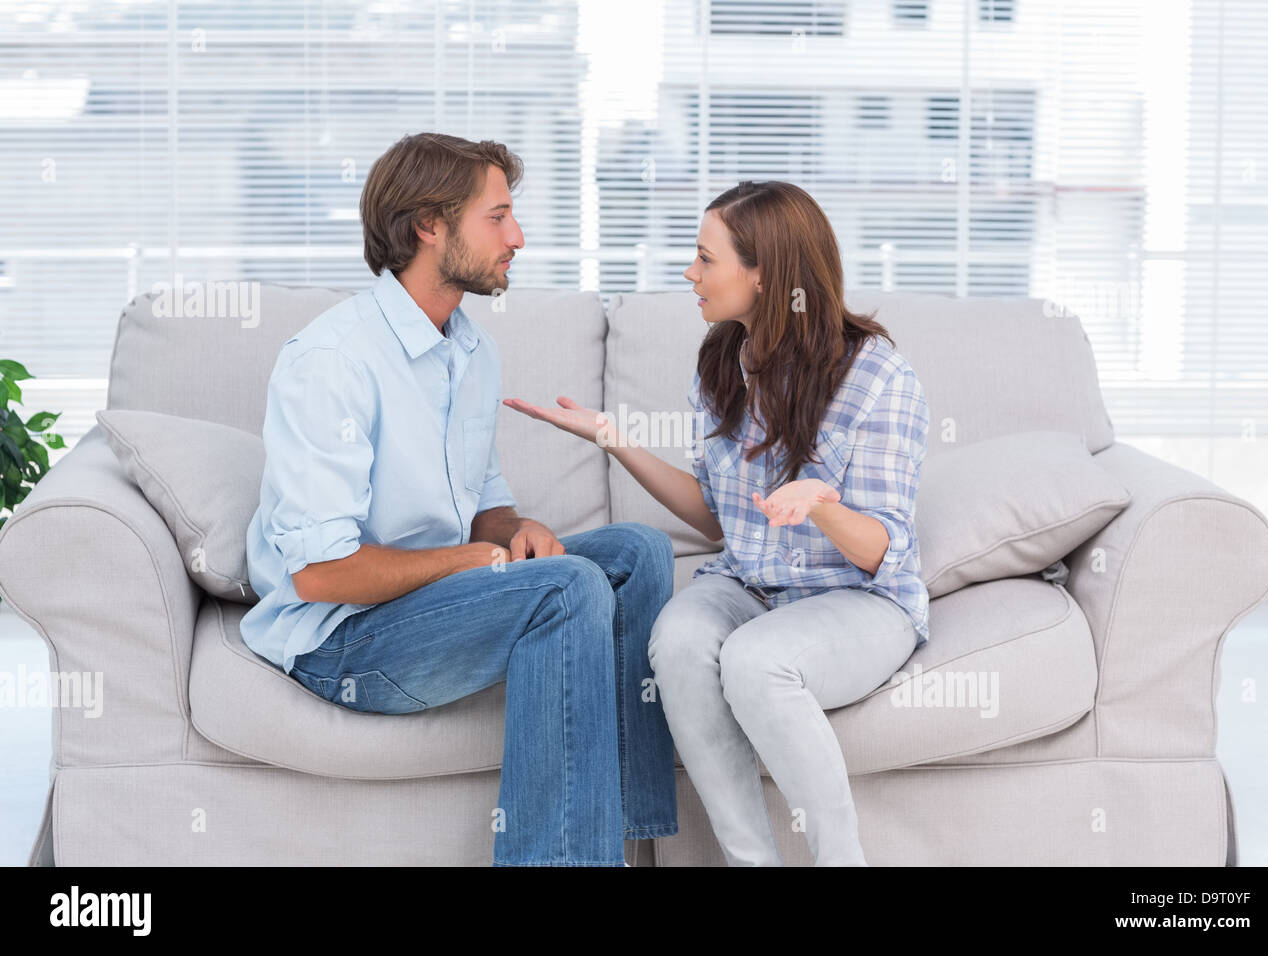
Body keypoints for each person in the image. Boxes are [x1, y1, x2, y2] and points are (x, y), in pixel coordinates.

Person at [239, 132, 678, 867]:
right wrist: (470, 562)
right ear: (428, 226)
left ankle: (627, 839)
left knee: (638, 552)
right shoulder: (332, 361)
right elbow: (321, 575)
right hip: (343, 635)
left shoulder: (470, 349)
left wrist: (515, 529)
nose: (519, 238)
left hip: (435, 604)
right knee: (567, 590)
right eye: (498, 217)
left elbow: (485, 509)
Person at [504, 179, 930, 866]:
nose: (688, 272)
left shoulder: (877, 376)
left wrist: (822, 503)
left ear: (764, 274)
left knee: (757, 661)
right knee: (674, 640)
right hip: (750, 582)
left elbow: (882, 550)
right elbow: (714, 519)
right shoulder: (723, 363)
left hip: (857, 597)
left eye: (705, 258)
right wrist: (614, 439)